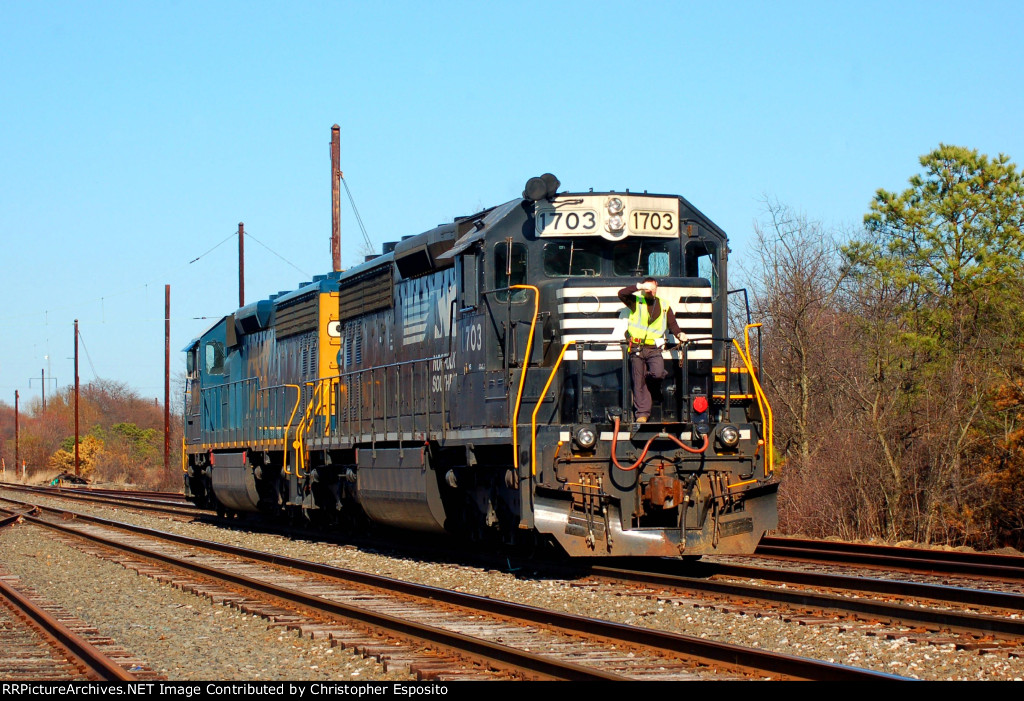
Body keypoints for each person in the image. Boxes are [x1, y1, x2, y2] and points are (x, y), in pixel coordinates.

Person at [618, 278, 687, 423]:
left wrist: (680, 334)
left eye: (653, 287)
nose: (651, 290)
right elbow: (622, 293)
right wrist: (639, 286)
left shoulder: (664, 305)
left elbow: (673, 324)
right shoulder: (636, 301)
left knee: (658, 373)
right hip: (636, 347)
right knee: (638, 382)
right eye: (648, 288)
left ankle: (647, 382)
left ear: (657, 288)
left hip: (654, 348)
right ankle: (642, 414)